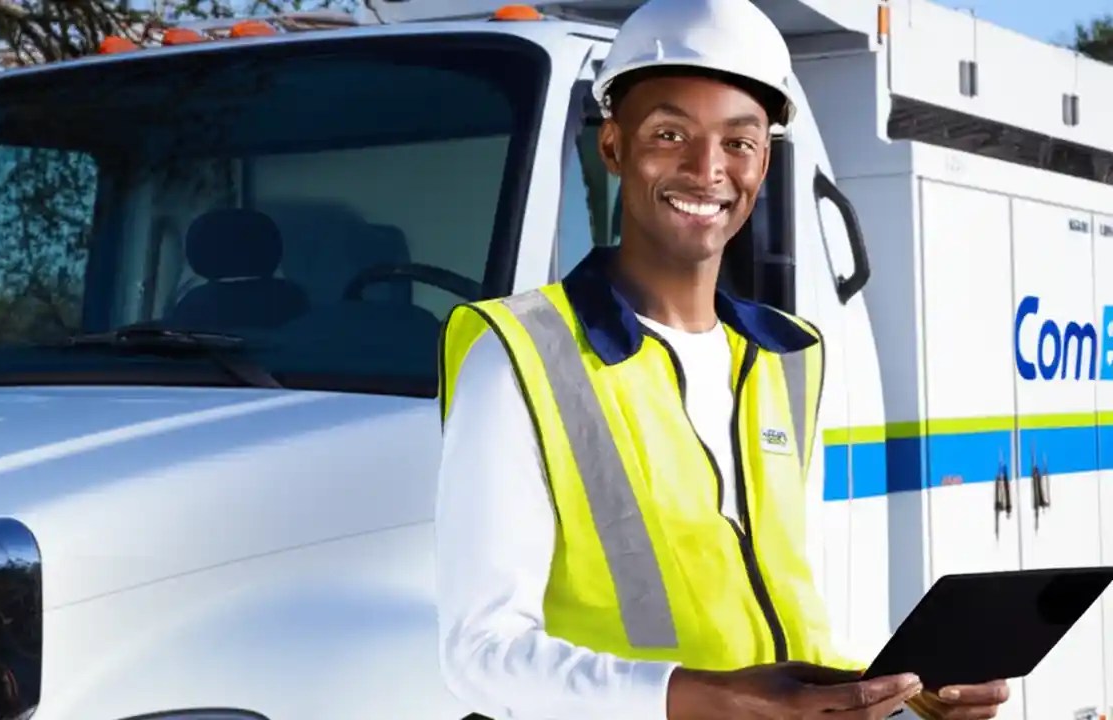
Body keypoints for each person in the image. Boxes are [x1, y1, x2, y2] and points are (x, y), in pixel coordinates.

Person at [432, 0, 1012, 718]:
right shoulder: (518, 354)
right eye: (669, 133)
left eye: (739, 143)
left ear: (763, 163)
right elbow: (480, 655)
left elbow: (786, 616)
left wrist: (892, 698)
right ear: (612, 147)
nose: (707, 170)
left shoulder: (787, 358)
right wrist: (713, 699)